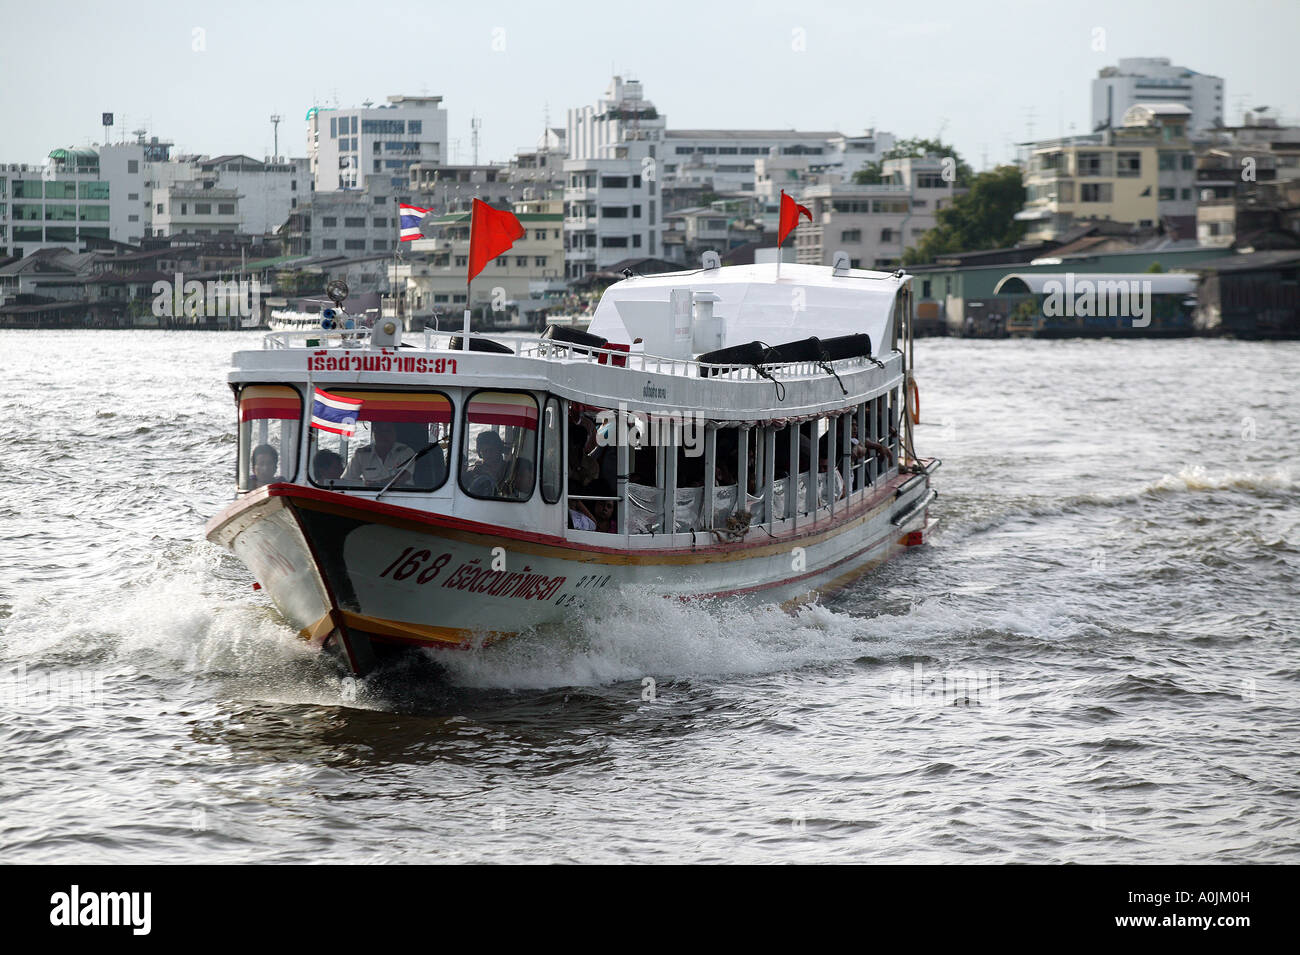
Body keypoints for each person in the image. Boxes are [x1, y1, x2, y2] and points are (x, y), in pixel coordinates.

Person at [344, 420, 415, 487]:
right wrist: (362, 484)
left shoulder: (405, 452)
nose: (383, 435)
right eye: (379, 431)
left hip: (401, 495)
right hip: (369, 495)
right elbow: (347, 479)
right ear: (373, 433)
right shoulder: (361, 454)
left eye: (387, 431)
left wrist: (377, 484)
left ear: (394, 433)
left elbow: (403, 477)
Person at [462, 430, 509, 497]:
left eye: (492, 450)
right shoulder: (474, 472)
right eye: (484, 451)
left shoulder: (510, 470)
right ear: (479, 452)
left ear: (499, 449)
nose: (488, 454)